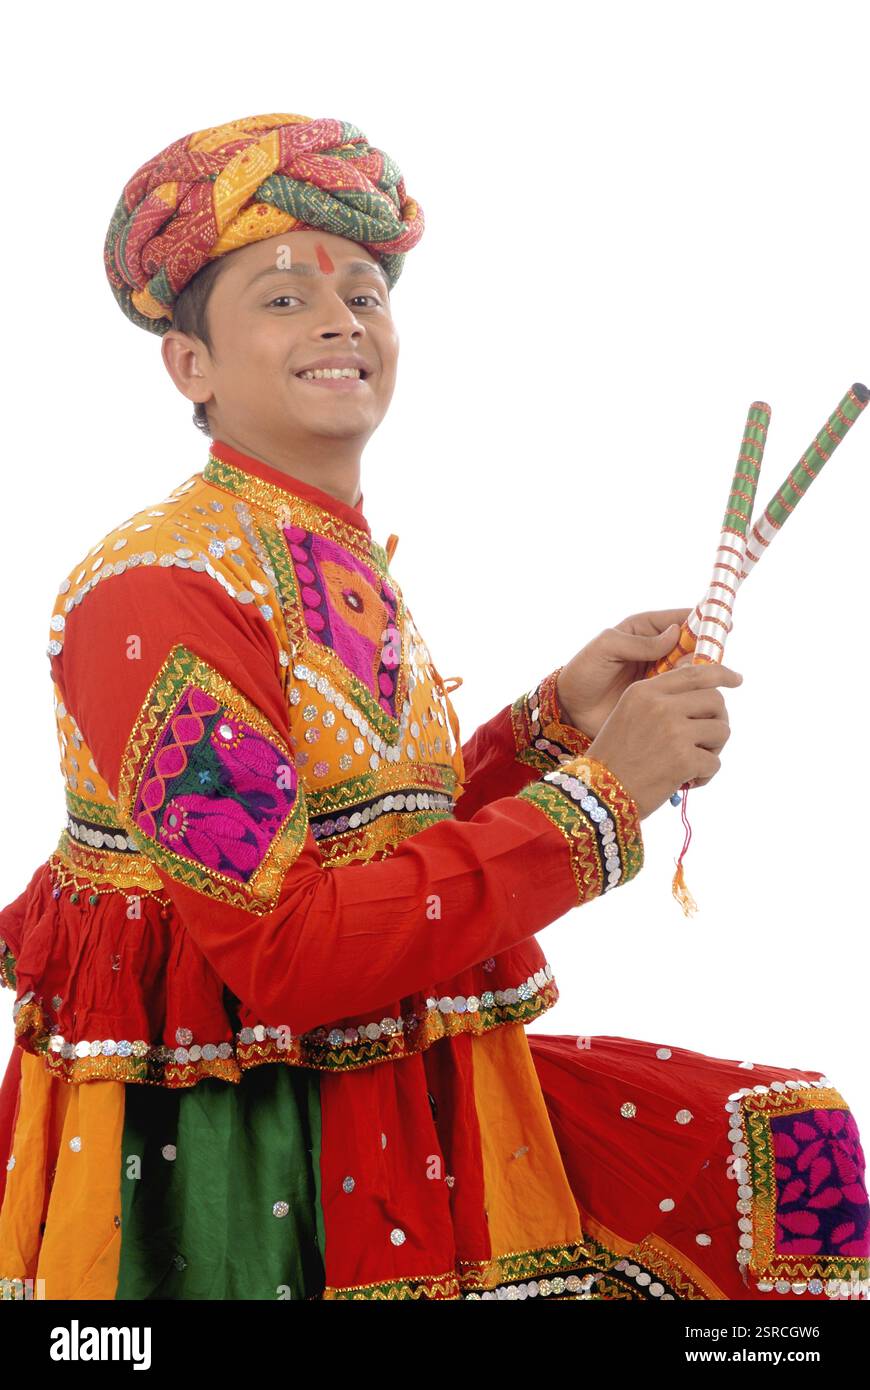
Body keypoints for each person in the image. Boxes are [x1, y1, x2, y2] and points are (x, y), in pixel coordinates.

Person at [0, 112, 866, 1303]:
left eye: (365, 290)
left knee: (791, 1146)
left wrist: (557, 717)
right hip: (239, 1162)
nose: (343, 318)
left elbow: (373, 835)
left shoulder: (319, 544)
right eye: (285, 297)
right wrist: (600, 800)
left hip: (375, 1087)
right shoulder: (160, 592)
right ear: (189, 365)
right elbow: (288, 951)